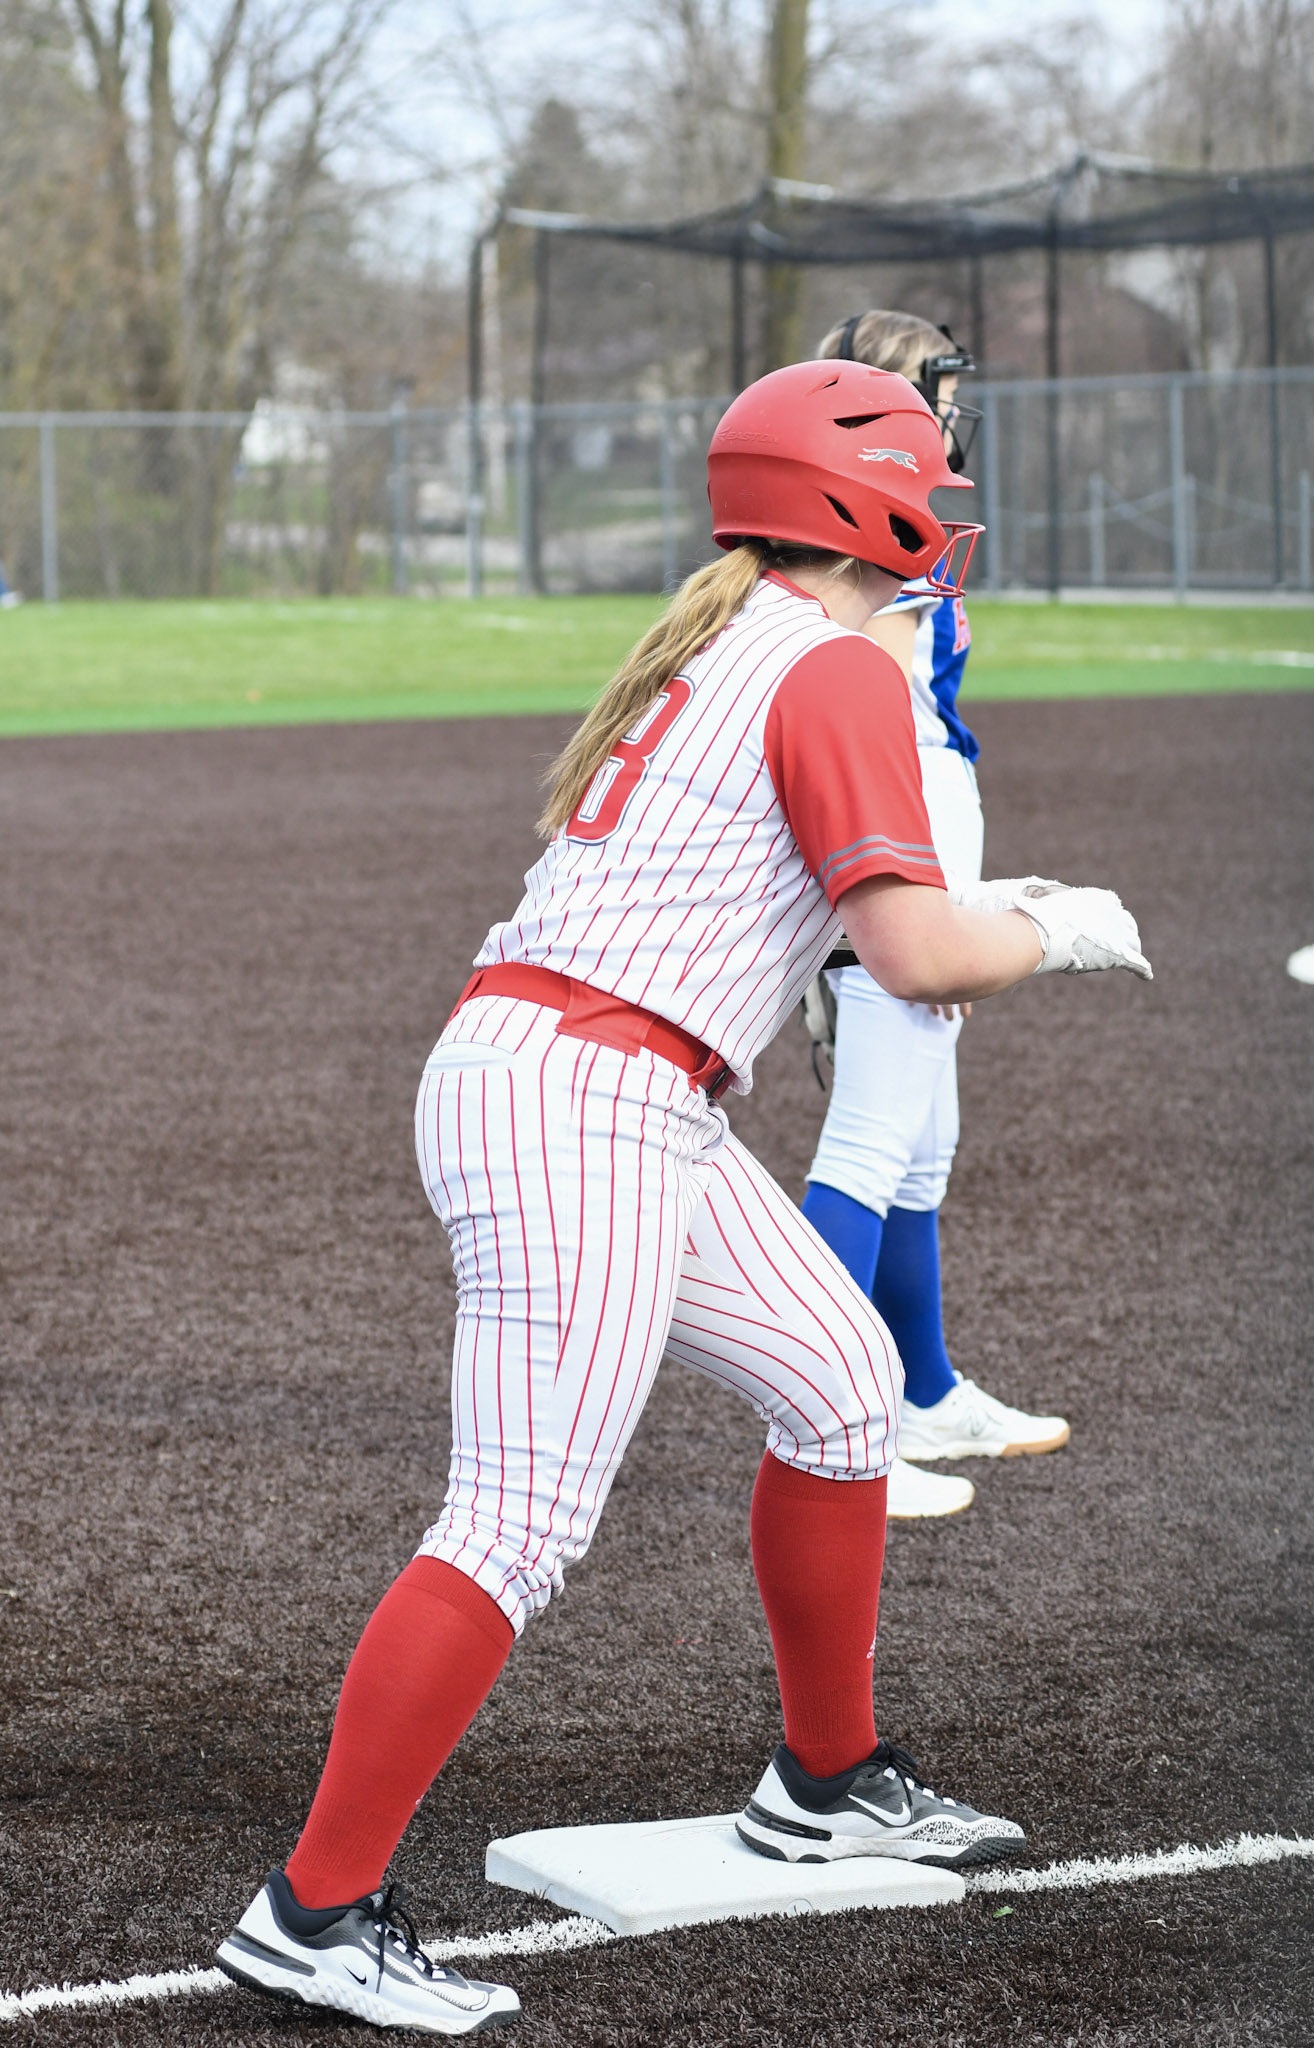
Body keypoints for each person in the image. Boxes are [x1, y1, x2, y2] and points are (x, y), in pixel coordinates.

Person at [215, 359, 1151, 2036]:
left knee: (848, 1389)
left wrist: (990, 899)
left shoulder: (734, 633)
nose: (939, 503)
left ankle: (824, 1773)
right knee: (514, 1526)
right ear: (861, 500)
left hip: (601, 1078)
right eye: (921, 476)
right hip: (587, 1095)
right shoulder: (837, 662)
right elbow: (919, 956)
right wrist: (1056, 927)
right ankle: (315, 1908)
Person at [800, 311, 1069, 1522]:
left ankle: (923, 1387)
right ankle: (830, 1423)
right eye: (931, 391)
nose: (951, 412)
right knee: (870, 1137)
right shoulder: (871, 502)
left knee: (923, 1144)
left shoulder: (902, 499)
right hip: (894, 805)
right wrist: (919, 908)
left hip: (923, 796)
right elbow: (886, 678)